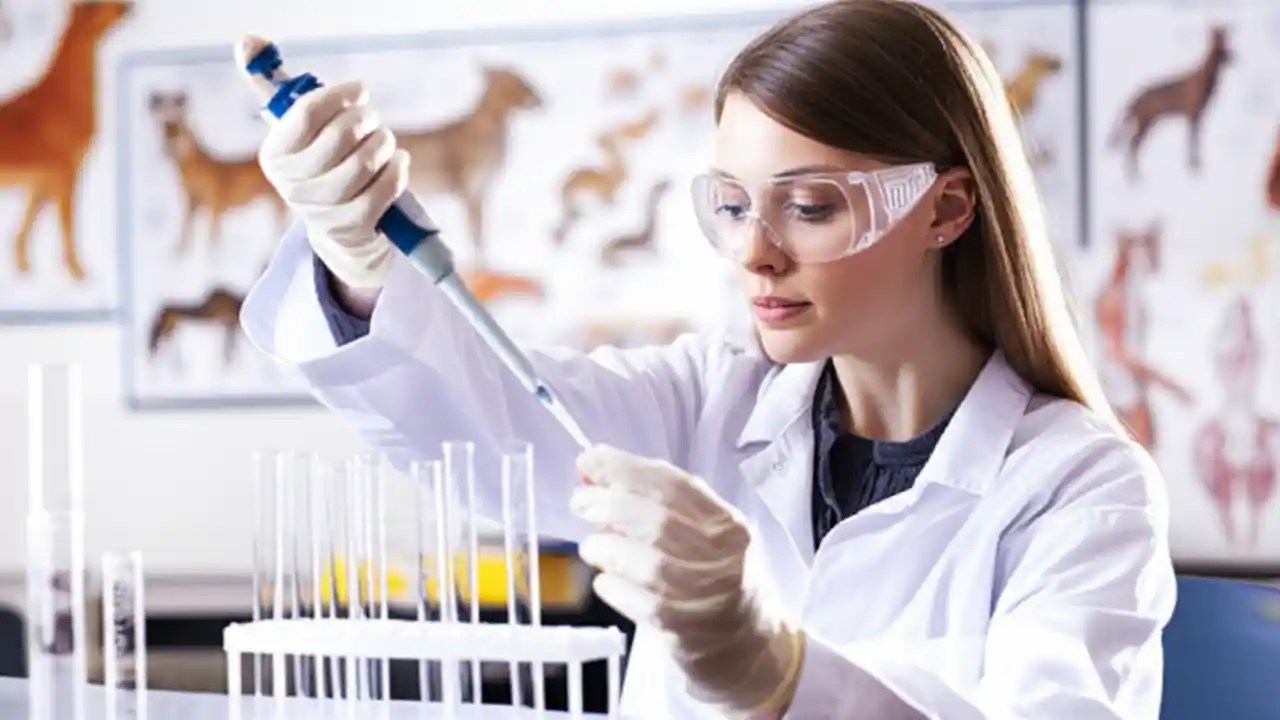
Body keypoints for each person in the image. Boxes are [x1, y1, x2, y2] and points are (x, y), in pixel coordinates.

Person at [238, 0, 1177, 717]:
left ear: (944, 210)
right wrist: (359, 259)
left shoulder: (1082, 488)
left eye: (809, 207)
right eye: (733, 205)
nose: (754, 251)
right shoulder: (711, 402)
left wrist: (781, 674)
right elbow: (494, 435)